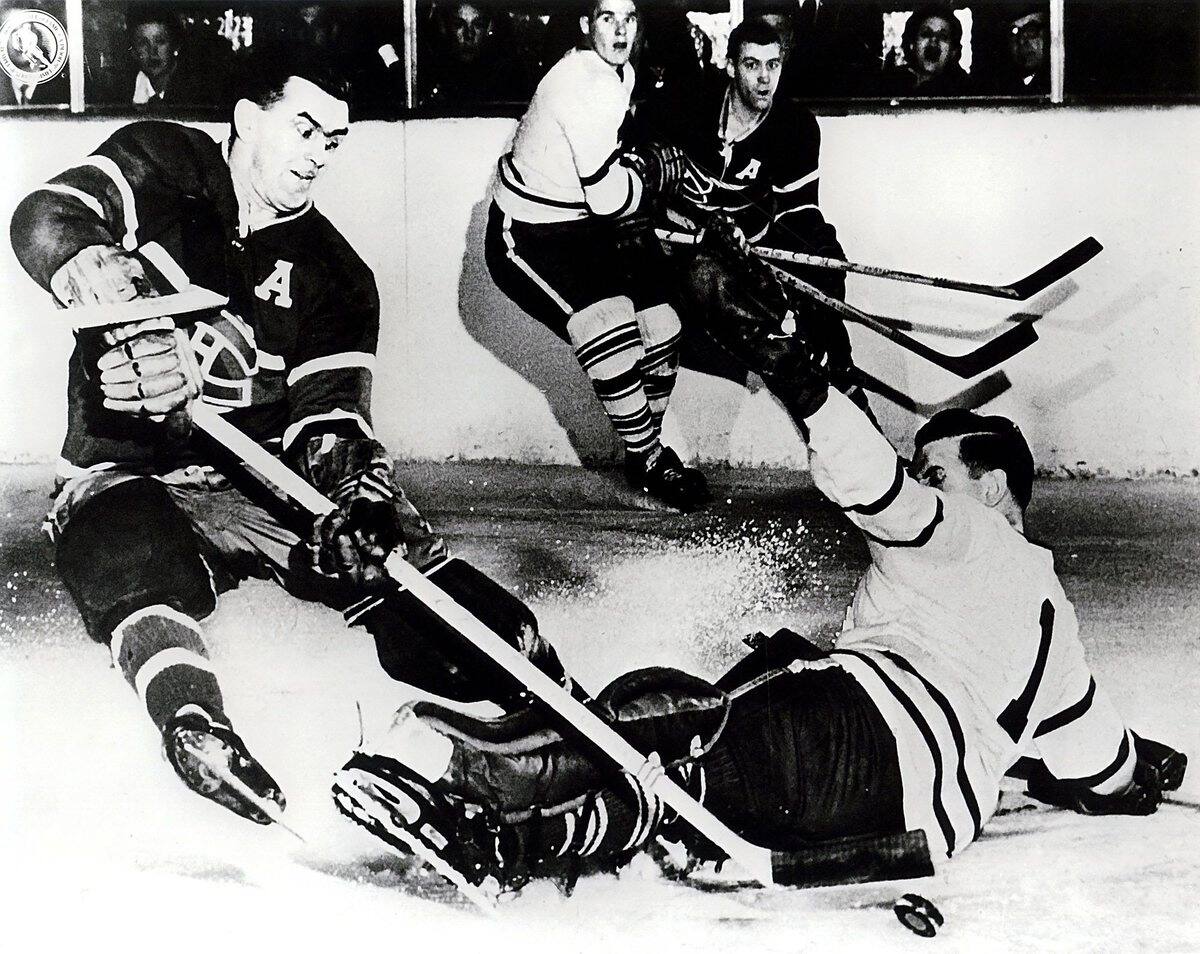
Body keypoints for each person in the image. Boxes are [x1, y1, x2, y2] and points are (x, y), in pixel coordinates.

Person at [332, 299, 1186, 891]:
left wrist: (800, 381)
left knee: (669, 706)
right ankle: (517, 843)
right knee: (689, 787)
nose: (928, 484)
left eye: (941, 471)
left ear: (994, 485)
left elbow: (875, 488)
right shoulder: (1059, 636)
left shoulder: (971, 533)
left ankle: (475, 769)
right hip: (905, 830)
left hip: (867, 737)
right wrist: (1140, 768)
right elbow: (1100, 763)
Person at [9, 56, 569, 826]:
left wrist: (353, 497)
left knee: (393, 562)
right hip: (131, 470)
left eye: (333, 141)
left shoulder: (339, 272)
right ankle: (195, 726)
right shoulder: (165, 164)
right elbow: (48, 213)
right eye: (303, 130)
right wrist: (92, 266)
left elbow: (329, 417)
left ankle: (551, 710)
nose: (316, 154)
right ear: (247, 116)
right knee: (117, 541)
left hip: (262, 481)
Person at [483, 0, 711, 512]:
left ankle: (643, 449)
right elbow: (607, 196)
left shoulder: (622, 73)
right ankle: (651, 458)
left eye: (628, 18)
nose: (619, 30)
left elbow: (610, 173)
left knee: (662, 324)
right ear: (586, 25)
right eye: (607, 17)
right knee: (607, 326)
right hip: (525, 237)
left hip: (578, 227)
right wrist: (650, 177)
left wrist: (648, 172)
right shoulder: (579, 81)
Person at [635, 17, 861, 405]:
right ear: (730, 66)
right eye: (752, 64)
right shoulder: (684, 104)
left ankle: (841, 378)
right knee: (700, 274)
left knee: (825, 254)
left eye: (773, 65)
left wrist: (817, 286)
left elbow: (800, 218)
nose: (763, 79)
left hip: (752, 252)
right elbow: (637, 164)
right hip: (684, 254)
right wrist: (675, 212)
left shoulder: (796, 127)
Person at [115, 4, 215, 109]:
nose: (152, 52)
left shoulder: (198, 91)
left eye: (160, 41)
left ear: (175, 46)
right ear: (134, 51)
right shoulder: (121, 93)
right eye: (143, 43)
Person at [883, 4, 976, 97]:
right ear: (912, 44)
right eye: (926, 34)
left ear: (953, 51)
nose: (934, 40)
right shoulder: (891, 82)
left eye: (942, 36)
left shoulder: (964, 89)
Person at [993, 6, 1049, 96]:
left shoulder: (1060, 85)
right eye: (1014, 32)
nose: (1021, 41)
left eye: (1031, 30)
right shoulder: (999, 86)